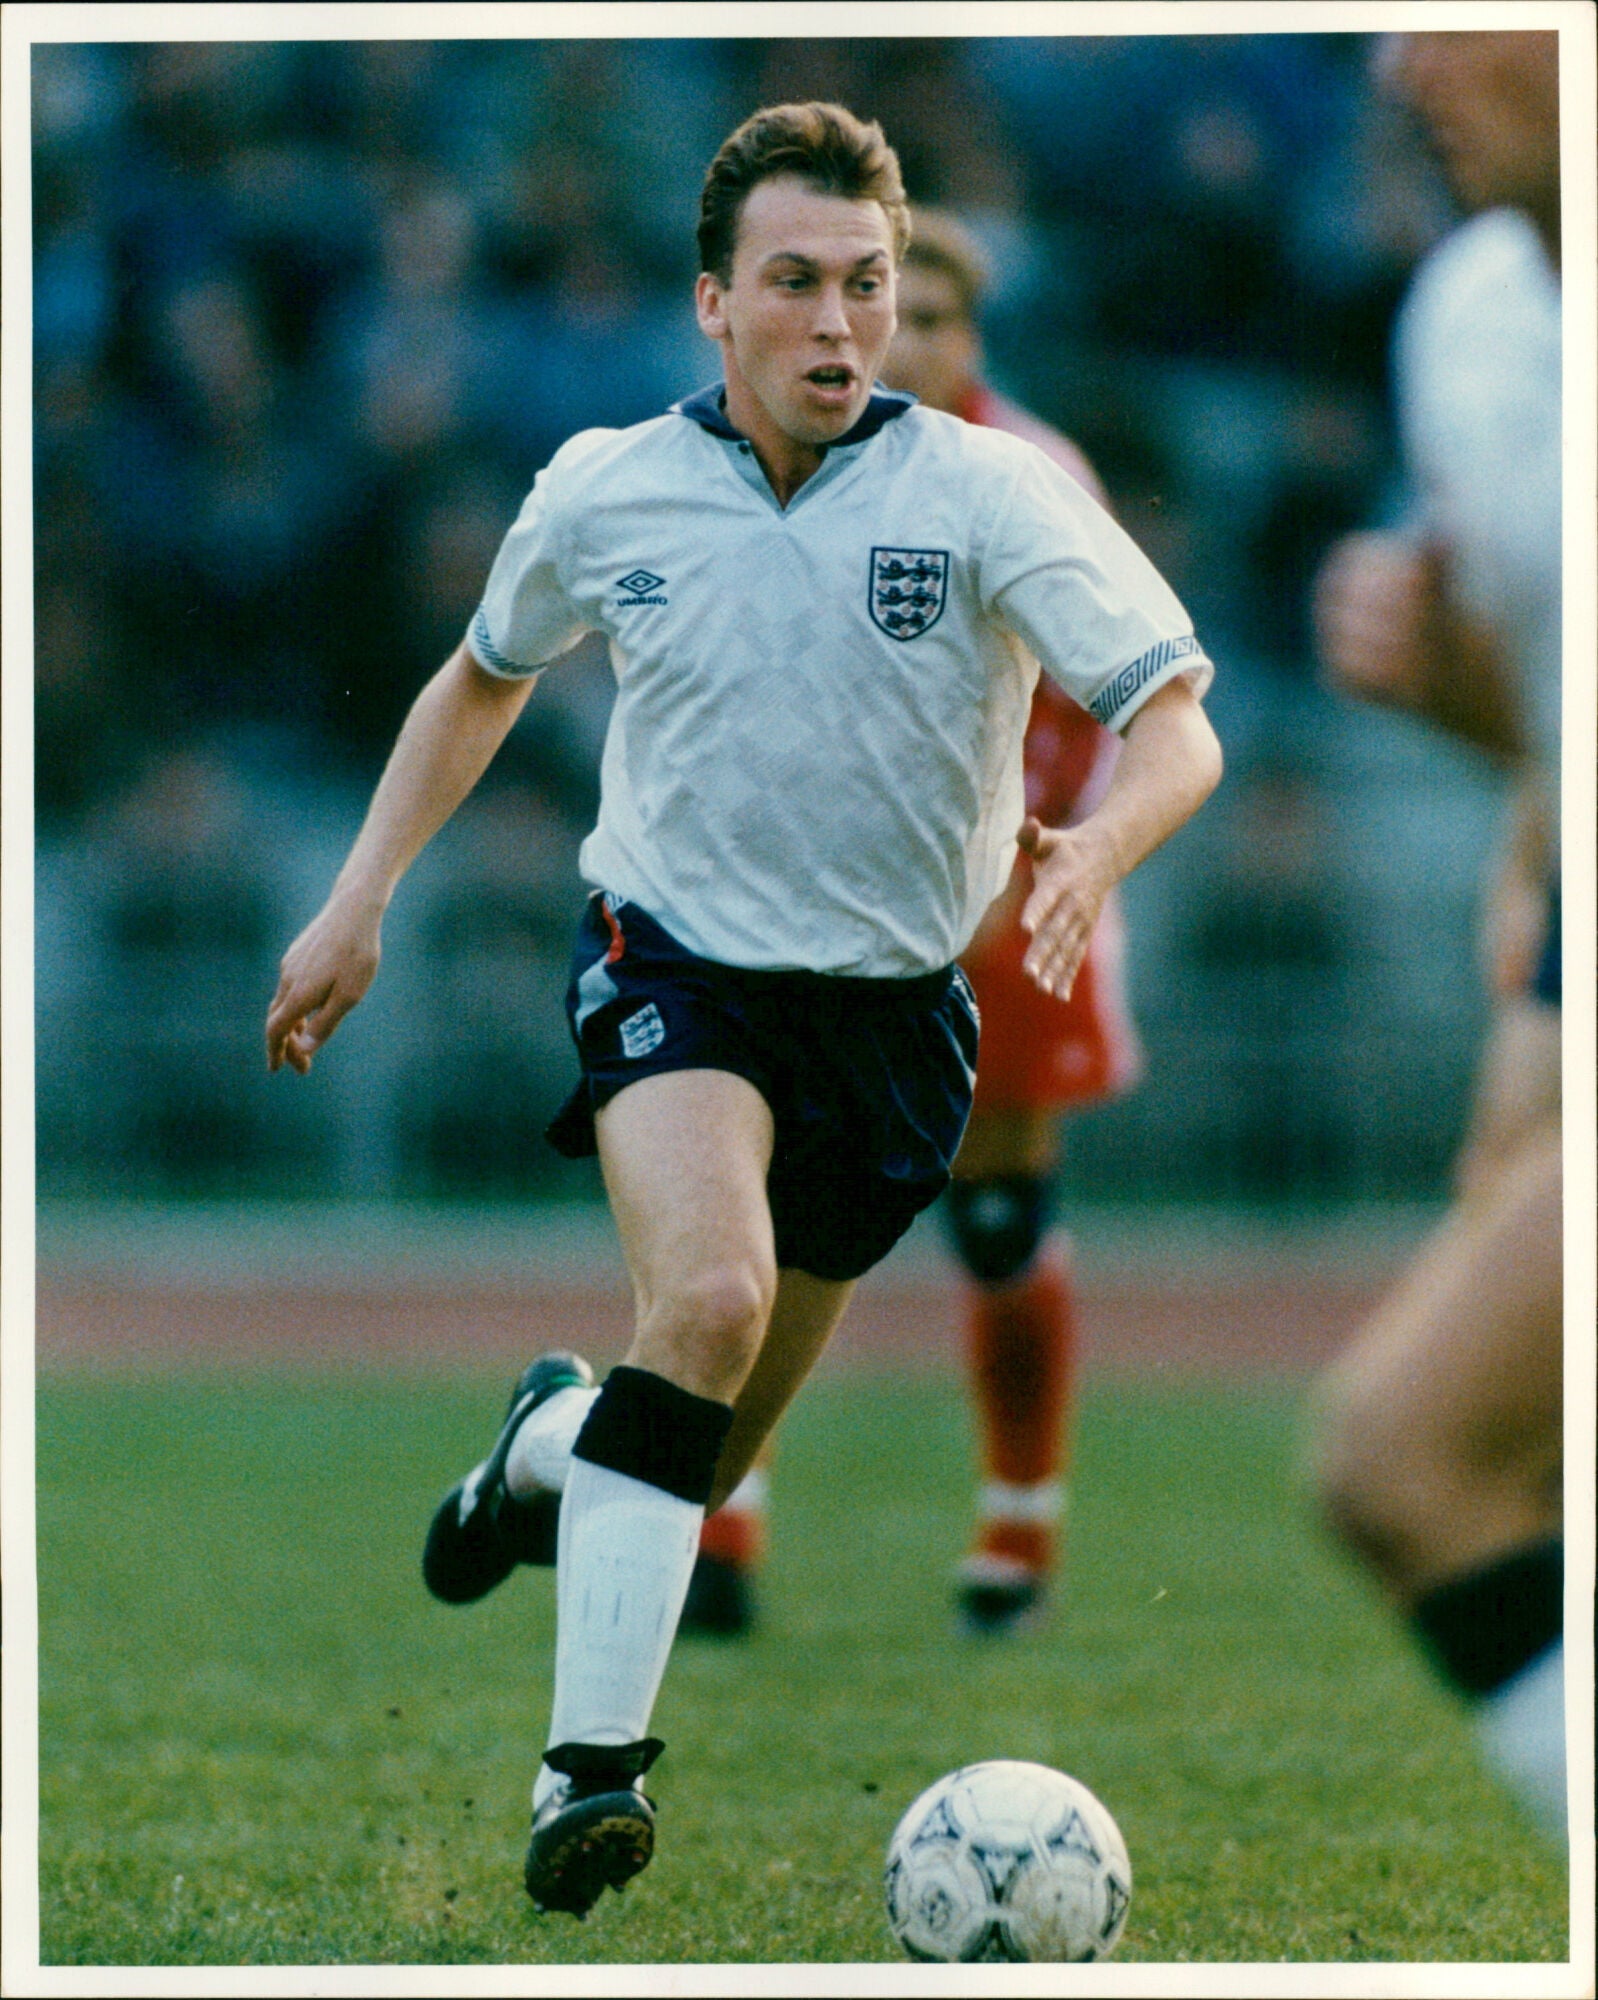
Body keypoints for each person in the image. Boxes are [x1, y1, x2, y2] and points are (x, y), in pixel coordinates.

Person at [266, 102, 1221, 1917]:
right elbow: (476, 681)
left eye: (865, 284)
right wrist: (356, 898)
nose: (838, 323)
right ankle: (587, 1777)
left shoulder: (992, 492)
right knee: (701, 1304)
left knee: (691, 1447)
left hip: (893, 1021)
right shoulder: (607, 487)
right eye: (795, 284)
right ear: (714, 302)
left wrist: (1098, 851)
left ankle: (539, 1446)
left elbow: (1179, 718)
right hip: (668, 963)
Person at [682, 208, 1144, 1641]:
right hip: (803, 889)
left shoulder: (1027, 472)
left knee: (996, 1206)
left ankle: (1016, 1528)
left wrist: (1027, 862)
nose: (911, 340)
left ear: (970, 336)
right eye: (897, 311)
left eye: (936, 315)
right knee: (754, 1202)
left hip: (1002, 891)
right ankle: (718, 1518)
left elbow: (1098, 687)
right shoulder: (783, 457)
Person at [1308, 32, 1566, 1840]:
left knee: (1412, 1450)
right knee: (1491, 1455)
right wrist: (1460, 692)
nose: (1402, 62)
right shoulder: (1467, 320)